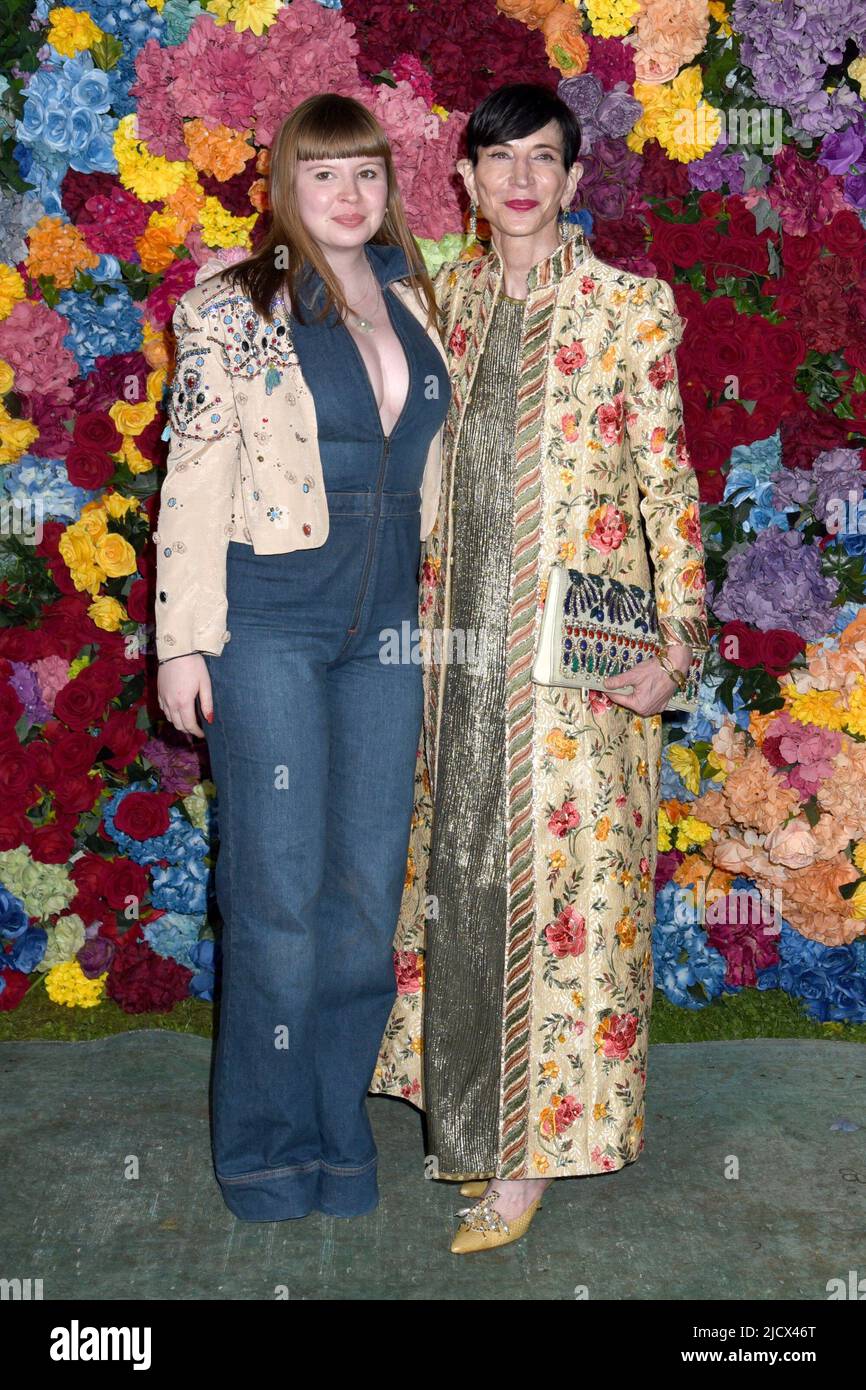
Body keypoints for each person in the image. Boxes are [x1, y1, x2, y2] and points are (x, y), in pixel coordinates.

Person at [369, 82, 710, 1253]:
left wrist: (677, 646)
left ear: (571, 182)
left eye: (542, 159)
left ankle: (523, 1155)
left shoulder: (628, 309)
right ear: (463, 179)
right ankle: (464, 1107)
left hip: (581, 650)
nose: (518, 177)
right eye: (496, 157)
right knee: (463, 880)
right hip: (453, 653)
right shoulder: (432, 307)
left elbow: (665, 488)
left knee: (563, 891)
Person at [154, 93, 451, 1222]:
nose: (347, 194)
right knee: (275, 895)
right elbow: (191, 478)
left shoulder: (420, 303)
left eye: (366, 173)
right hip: (267, 624)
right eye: (323, 174)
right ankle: (265, 1151)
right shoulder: (232, 307)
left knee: (363, 895)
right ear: (286, 184)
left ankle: (337, 1133)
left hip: (385, 633)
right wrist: (184, 640)